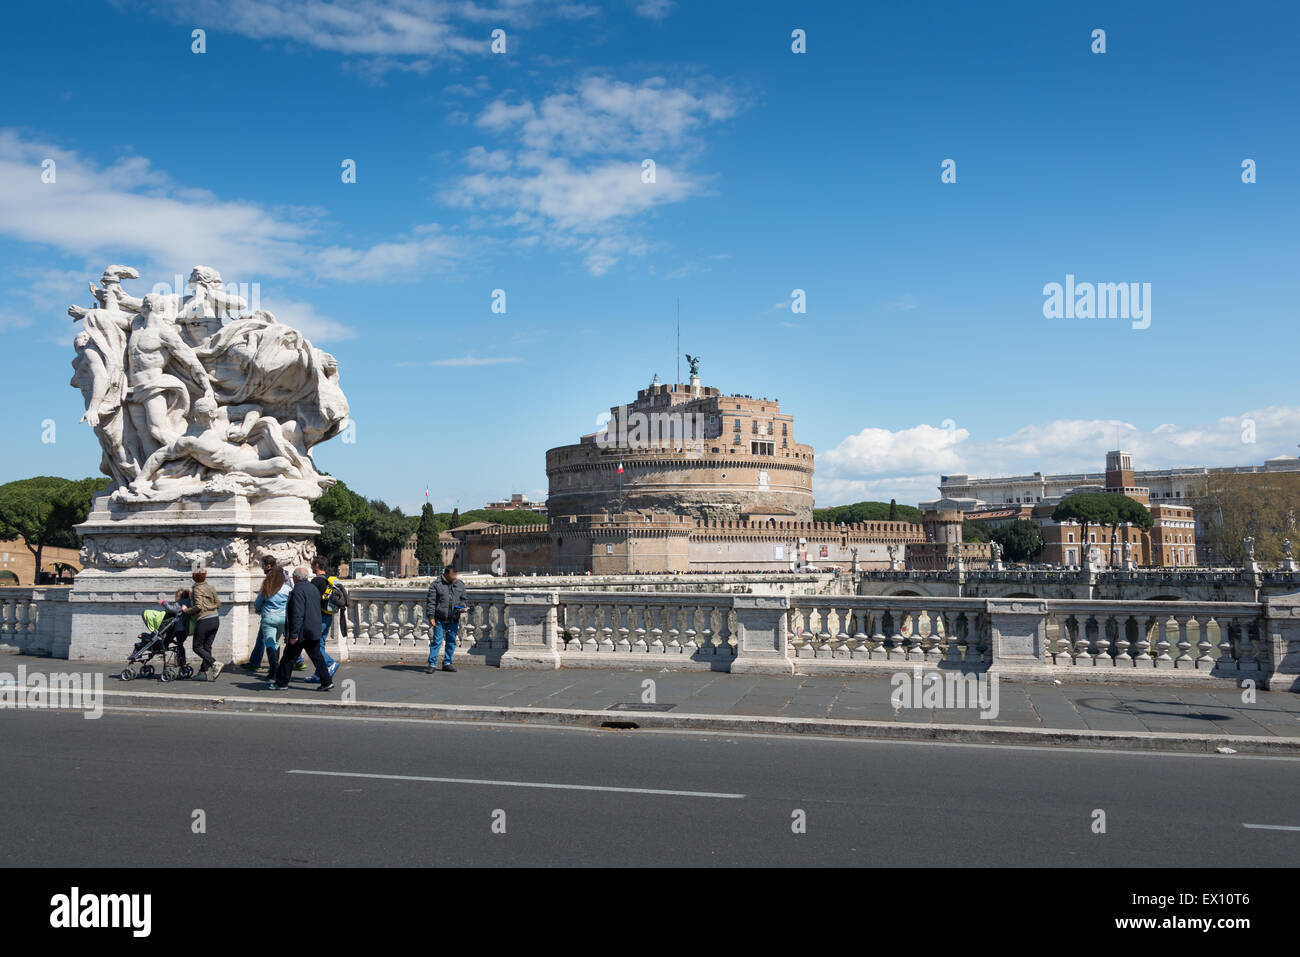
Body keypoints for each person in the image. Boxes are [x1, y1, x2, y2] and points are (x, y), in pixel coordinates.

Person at [272, 566, 333, 691]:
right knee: (317, 657)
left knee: (288, 658)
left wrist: (293, 634)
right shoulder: (313, 588)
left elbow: (297, 614)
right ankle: (327, 681)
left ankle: (281, 683)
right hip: (313, 629)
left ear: (295, 577)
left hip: (301, 632)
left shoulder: (297, 591)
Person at [248, 556, 291, 680]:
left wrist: (258, 610)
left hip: (269, 618)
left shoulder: (267, 588)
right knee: (277, 642)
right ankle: (276, 666)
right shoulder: (288, 589)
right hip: (283, 618)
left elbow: (257, 604)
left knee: (270, 643)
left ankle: (273, 668)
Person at [424, 566, 467, 674]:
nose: (455, 577)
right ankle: (432, 664)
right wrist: (431, 617)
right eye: (453, 575)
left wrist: (462, 608)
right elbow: (431, 602)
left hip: (453, 618)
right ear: (446, 574)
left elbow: (463, 600)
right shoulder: (436, 585)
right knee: (437, 641)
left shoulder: (460, 585)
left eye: (455, 574)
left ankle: (447, 663)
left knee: (451, 642)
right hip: (440, 618)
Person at [189, 569, 222, 680]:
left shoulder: (197, 589)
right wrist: (210, 607)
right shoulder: (210, 588)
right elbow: (218, 603)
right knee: (207, 647)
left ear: (194, 577)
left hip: (204, 620)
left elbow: (198, 606)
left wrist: (186, 610)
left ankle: (214, 663)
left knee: (197, 647)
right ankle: (203, 672)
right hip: (215, 619)